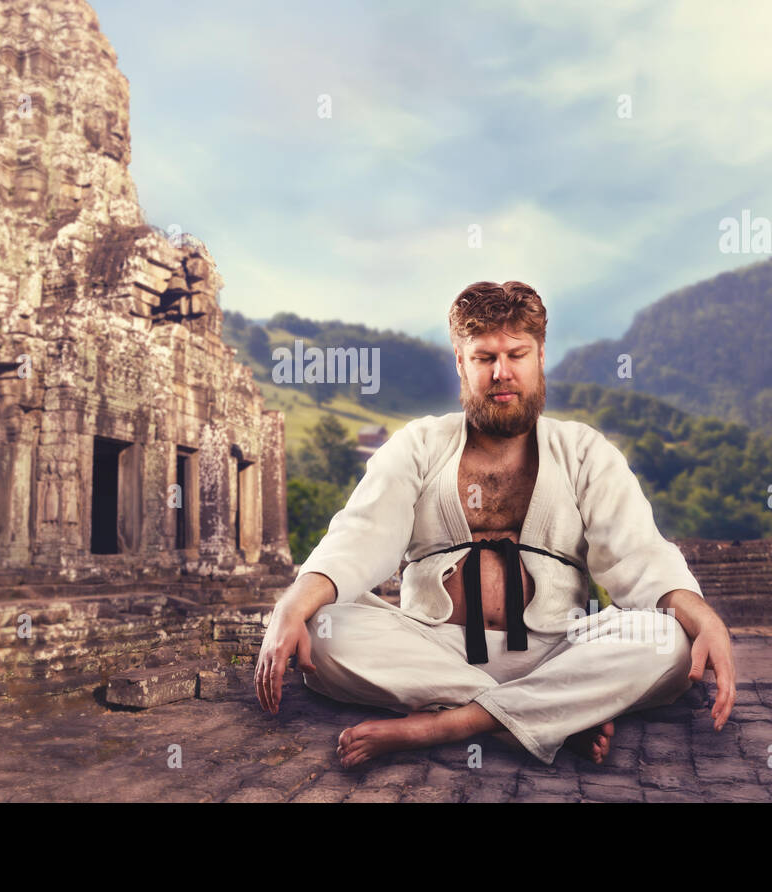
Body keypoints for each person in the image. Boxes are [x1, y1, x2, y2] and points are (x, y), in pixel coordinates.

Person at [256, 281, 736, 769]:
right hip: (433, 645)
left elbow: (639, 555)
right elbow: (359, 536)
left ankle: (451, 723)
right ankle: (549, 713)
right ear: (461, 364)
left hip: (557, 647)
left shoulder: (585, 451)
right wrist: (290, 607)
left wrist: (705, 620)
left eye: (516, 354)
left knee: (670, 641)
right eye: (484, 357)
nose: (502, 373)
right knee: (325, 628)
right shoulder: (418, 444)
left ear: (541, 355)